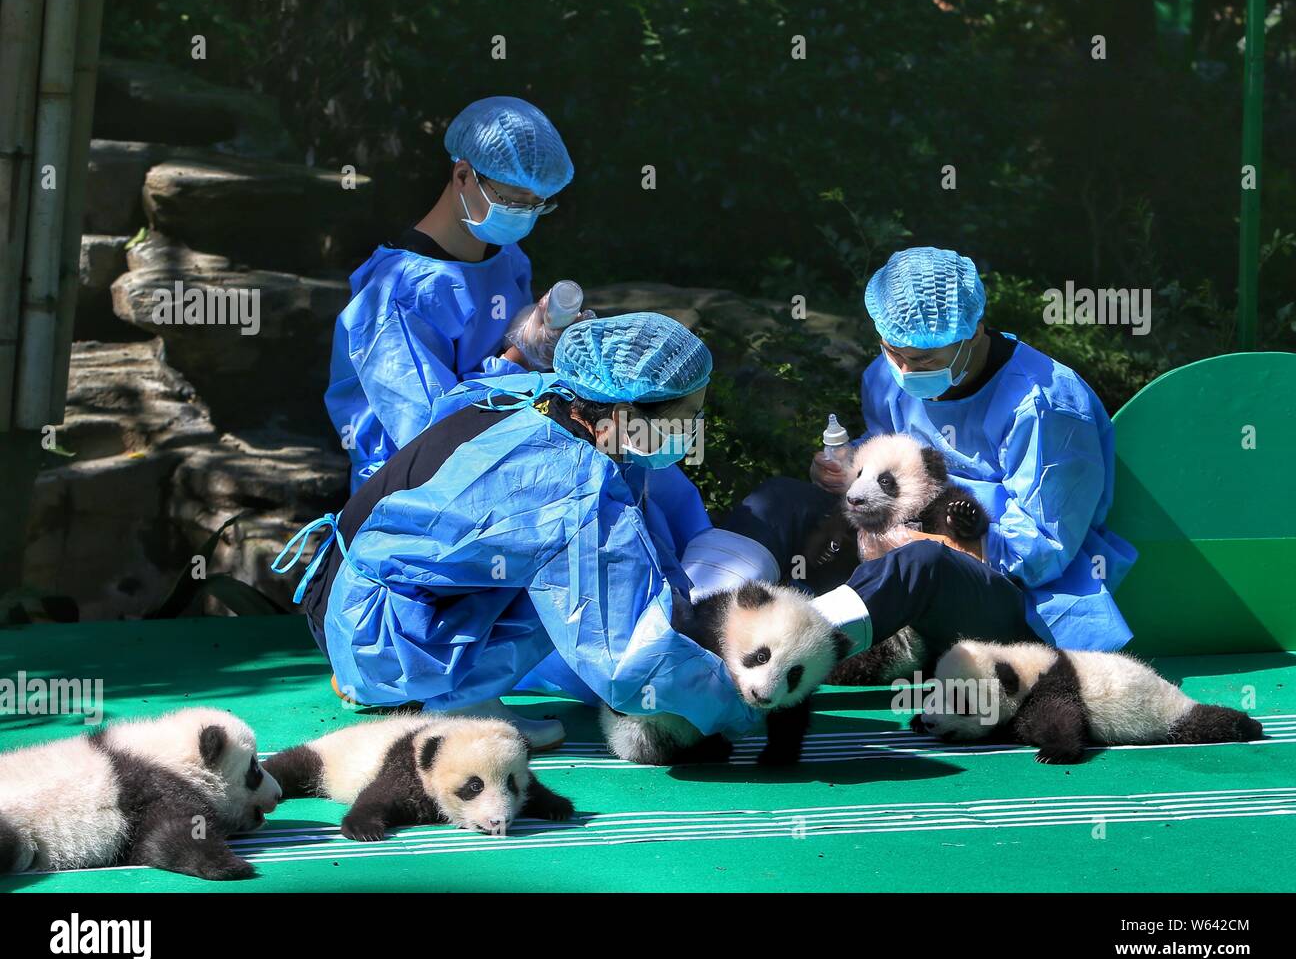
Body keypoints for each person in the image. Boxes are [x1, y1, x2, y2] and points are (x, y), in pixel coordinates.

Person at [274, 314, 763, 751]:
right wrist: (740, 705)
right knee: (578, 597)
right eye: (685, 417)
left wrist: (683, 612)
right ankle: (457, 705)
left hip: (343, 589)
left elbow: (640, 542)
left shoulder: (551, 397)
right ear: (624, 416)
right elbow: (627, 657)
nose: (694, 428)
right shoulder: (571, 491)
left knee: (596, 578)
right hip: (375, 635)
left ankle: (448, 687)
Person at [729, 247, 1137, 657]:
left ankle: (778, 652)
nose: (905, 372)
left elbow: (1042, 552)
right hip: (897, 561)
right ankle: (708, 623)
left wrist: (915, 541)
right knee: (781, 500)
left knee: (922, 562)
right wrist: (850, 467)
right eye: (894, 352)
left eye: (923, 359)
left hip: (1020, 601)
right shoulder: (885, 378)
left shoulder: (1045, 405)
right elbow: (891, 457)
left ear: (974, 331)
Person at [325, 96, 578, 493]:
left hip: (492, 464)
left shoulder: (507, 258)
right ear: (463, 175)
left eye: (537, 205)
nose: (525, 215)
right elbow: (432, 434)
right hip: (410, 500)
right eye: (513, 201)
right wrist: (520, 357)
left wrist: (550, 343)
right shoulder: (397, 293)